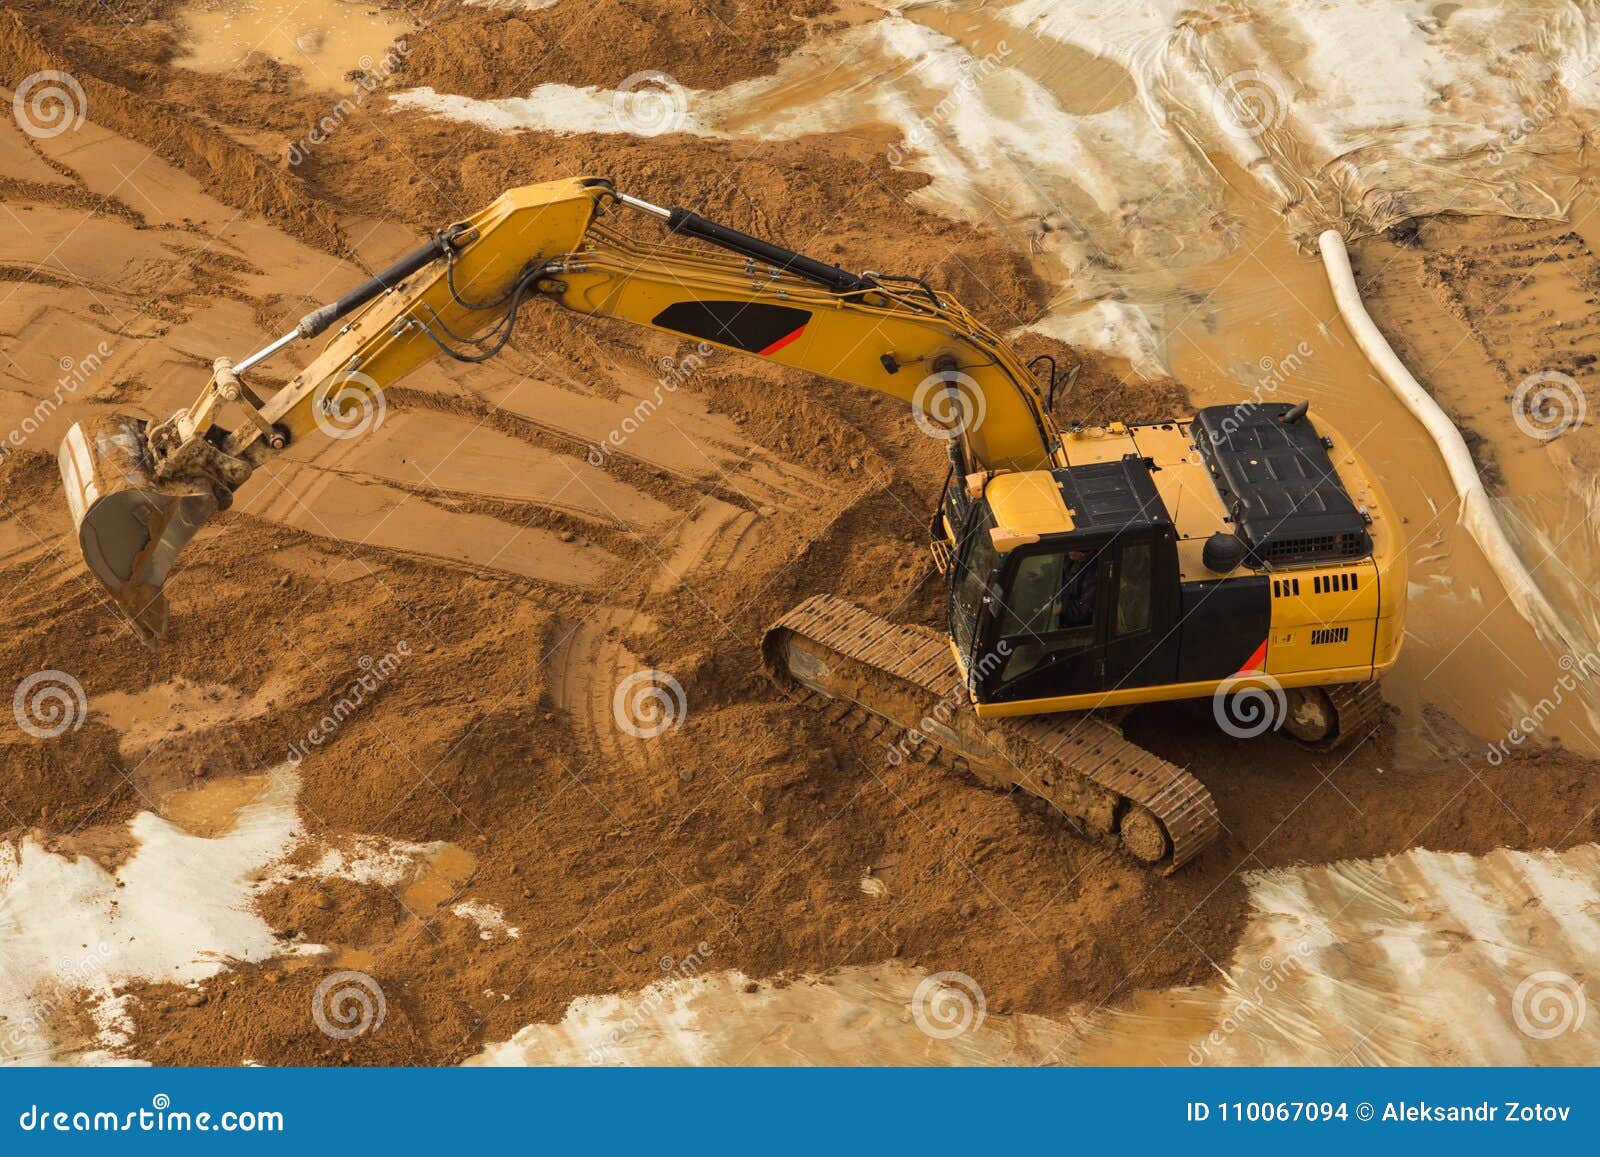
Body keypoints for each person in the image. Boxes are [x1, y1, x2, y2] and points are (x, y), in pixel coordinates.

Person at [1060, 550, 1097, 628]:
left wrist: (1061, 608)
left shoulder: (1094, 572)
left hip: (1077, 628)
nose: (1069, 551)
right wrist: (1044, 574)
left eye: (1075, 550)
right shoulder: (1069, 558)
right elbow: (1057, 566)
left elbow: (1085, 611)